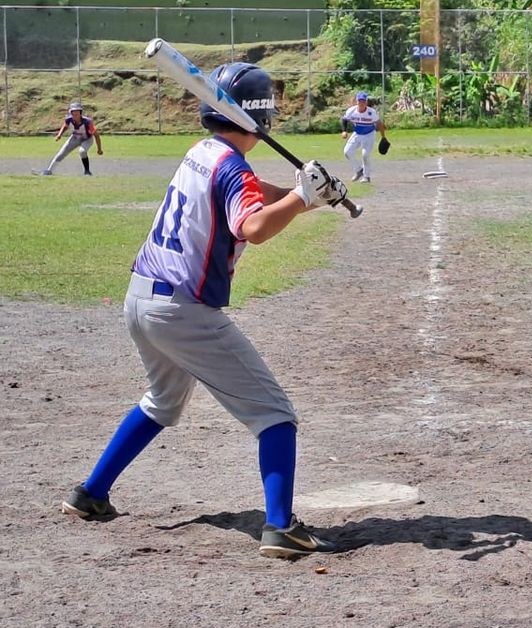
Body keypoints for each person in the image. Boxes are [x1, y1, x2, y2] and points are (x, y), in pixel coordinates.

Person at [60, 62, 349, 559]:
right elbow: (254, 226)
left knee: (161, 403)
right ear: (262, 119)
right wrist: (303, 197)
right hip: (183, 310)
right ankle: (280, 527)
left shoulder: (205, 153)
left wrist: (310, 195)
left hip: (142, 298)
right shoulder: (231, 166)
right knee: (275, 414)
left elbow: (253, 191)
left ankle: (90, 494)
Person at [41, 102, 103, 176]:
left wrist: (99, 149)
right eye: (73, 112)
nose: (75, 114)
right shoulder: (69, 119)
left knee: (82, 151)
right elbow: (65, 126)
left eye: (77, 112)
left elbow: (96, 135)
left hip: (87, 139)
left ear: (80, 112)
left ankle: (87, 172)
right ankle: (49, 171)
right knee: (61, 153)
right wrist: (59, 135)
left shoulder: (87, 122)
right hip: (75, 137)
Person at [341, 91, 386, 183]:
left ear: (366, 102)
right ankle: (359, 170)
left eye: (363, 101)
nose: (361, 103)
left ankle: (366, 176)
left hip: (369, 134)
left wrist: (383, 137)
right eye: (359, 101)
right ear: (356, 101)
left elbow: (379, 124)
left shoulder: (371, 112)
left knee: (365, 155)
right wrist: (344, 131)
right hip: (357, 133)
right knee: (347, 151)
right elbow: (344, 120)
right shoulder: (351, 111)